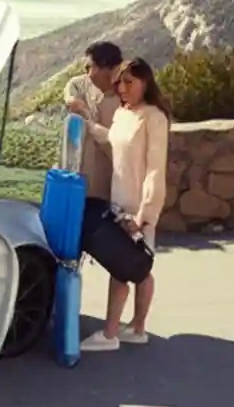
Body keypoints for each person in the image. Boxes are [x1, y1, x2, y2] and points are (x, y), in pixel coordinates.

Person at [67, 57, 171, 352]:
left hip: (138, 204)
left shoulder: (154, 117)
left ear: (145, 83)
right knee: (136, 265)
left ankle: (111, 334)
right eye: (120, 83)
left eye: (129, 82)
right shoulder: (123, 114)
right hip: (118, 200)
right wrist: (87, 122)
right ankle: (137, 329)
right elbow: (111, 140)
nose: (122, 89)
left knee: (124, 265)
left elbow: (155, 169)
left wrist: (145, 214)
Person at [63, 41, 122, 201]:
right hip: (79, 185)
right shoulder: (86, 85)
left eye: (90, 67)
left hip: (108, 190)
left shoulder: (126, 100)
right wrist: (71, 101)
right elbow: (72, 87)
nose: (88, 73)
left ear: (107, 68)